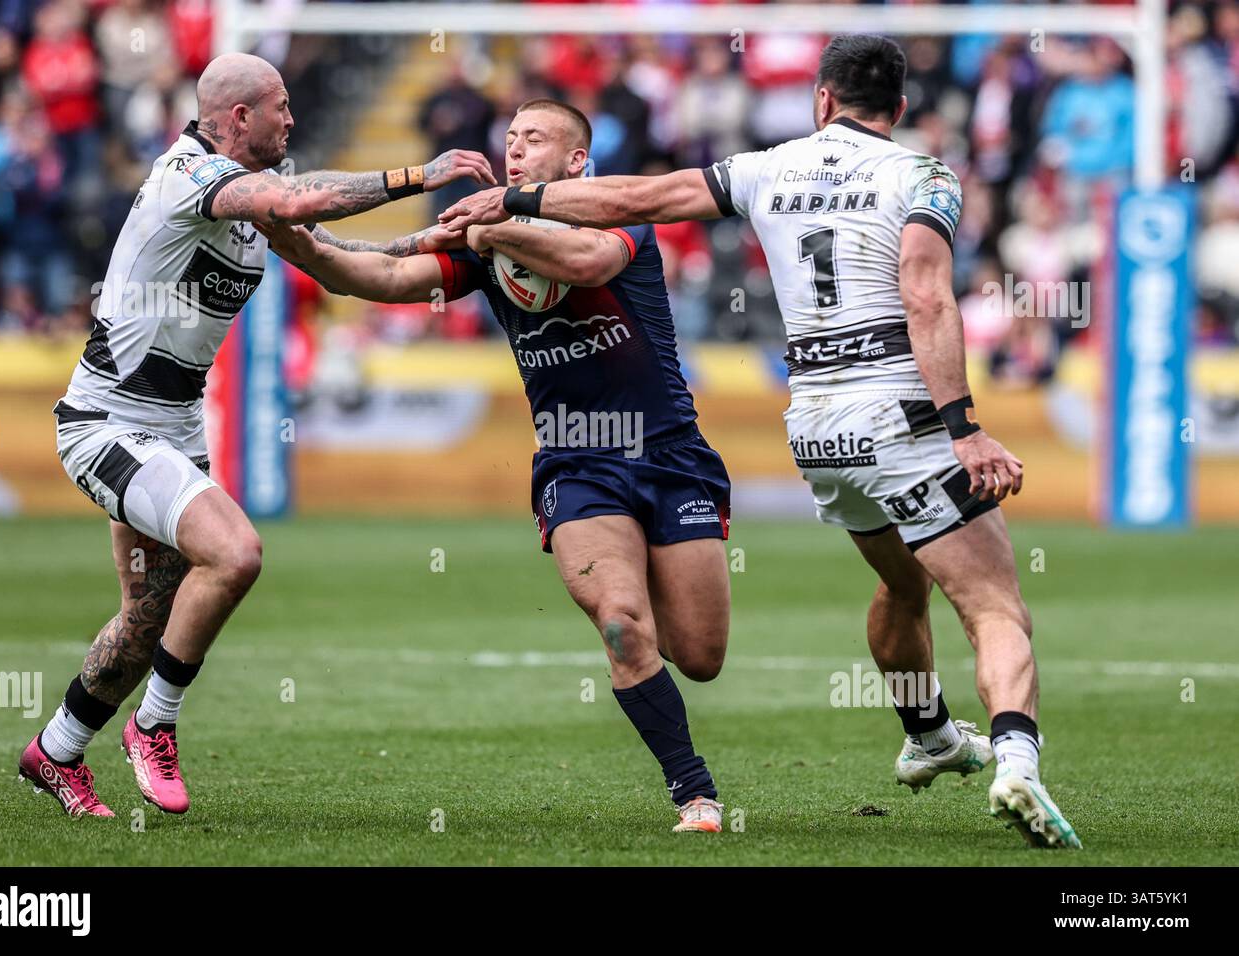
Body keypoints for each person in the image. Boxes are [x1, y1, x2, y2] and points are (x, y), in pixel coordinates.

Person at [440, 36, 1081, 850]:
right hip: (896, 409)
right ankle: (1019, 759)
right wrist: (964, 426)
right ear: (903, 109)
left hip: (816, 425)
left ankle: (928, 734)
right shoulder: (925, 176)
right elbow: (924, 295)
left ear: (821, 100)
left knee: (903, 586)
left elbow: (638, 196)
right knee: (993, 603)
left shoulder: (769, 166)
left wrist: (518, 202)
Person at [19, 51, 495, 819]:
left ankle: (56, 751)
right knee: (236, 552)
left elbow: (334, 265)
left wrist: (438, 244)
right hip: (107, 420)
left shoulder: (264, 193)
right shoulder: (187, 176)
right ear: (239, 118)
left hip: (173, 425)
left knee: (149, 619)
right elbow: (302, 203)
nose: (292, 118)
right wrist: (419, 176)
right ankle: (154, 726)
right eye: (279, 106)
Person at [263, 98, 732, 834]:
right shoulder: (486, 249)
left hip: (669, 453)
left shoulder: (615, 220)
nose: (514, 150)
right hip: (577, 461)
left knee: (700, 656)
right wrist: (297, 242)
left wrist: (486, 224)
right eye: (508, 139)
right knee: (619, 623)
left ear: (576, 161)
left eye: (534, 139)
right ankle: (694, 792)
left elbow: (583, 261)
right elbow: (375, 279)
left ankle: (656, 643)